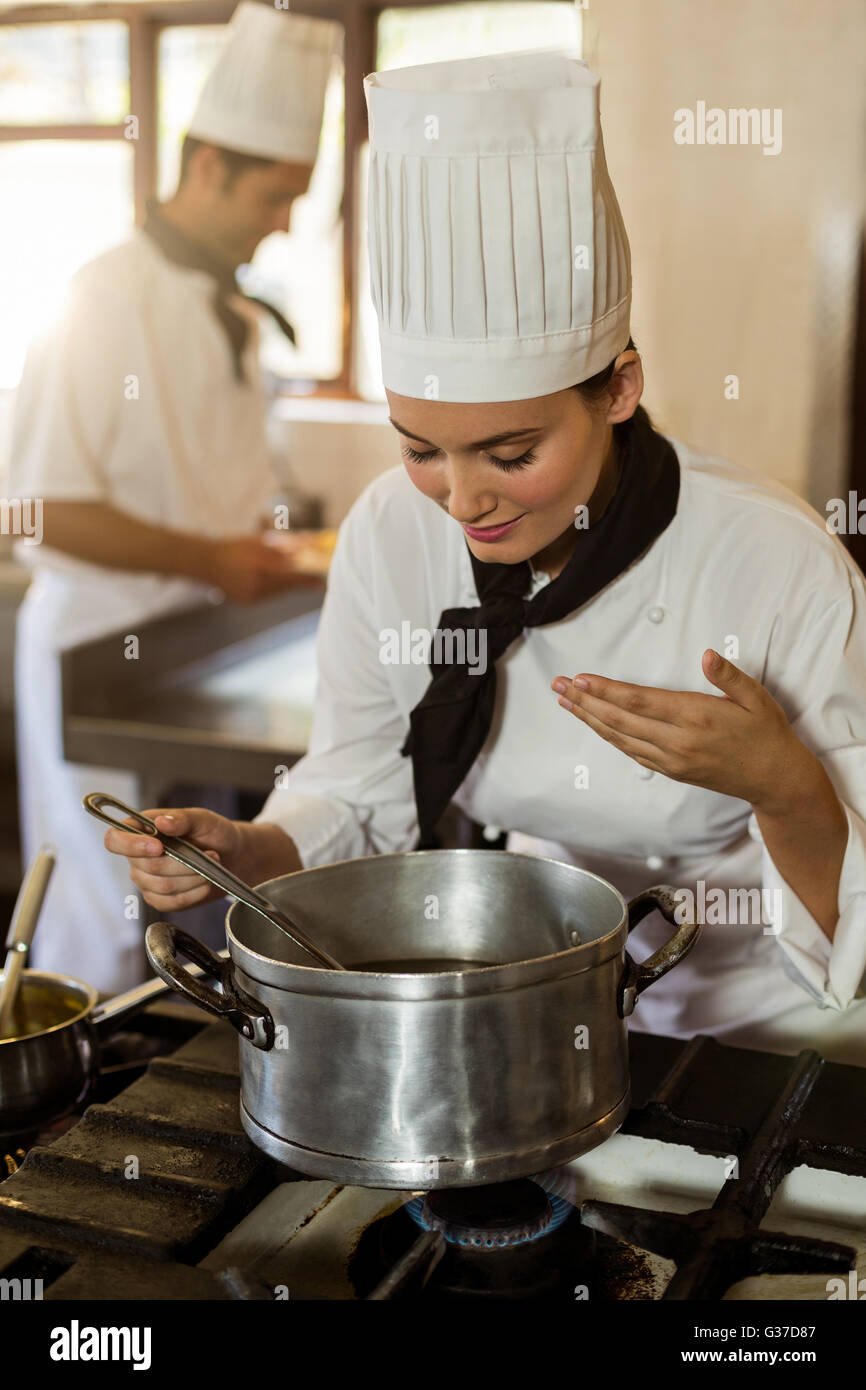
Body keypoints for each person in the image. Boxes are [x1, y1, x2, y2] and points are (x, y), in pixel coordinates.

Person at [103, 49, 866, 1063]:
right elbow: (361, 781)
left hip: (773, 1032)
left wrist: (784, 786)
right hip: (549, 998)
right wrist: (256, 850)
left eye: (511, 453)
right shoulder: (392, 530)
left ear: (618, 388)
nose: (461, 499)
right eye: (418, 447)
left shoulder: (773, 564)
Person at [7, 3, 340, 991]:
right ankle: (75, 1103)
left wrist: (261, 546)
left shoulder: (231, 307)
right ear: (206, 168)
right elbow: (35, 509)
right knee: (106, 909)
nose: (283, 220)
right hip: (96, 650)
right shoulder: (100, 299)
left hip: (201, 642)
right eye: (275, 194)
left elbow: (219, 494)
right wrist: (211, 556)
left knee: (194, 891)